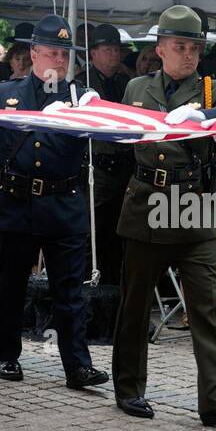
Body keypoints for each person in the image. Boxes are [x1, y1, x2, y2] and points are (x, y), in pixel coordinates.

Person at [111, 5, 216, 427]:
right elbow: (117, 132)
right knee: (134, 306)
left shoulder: (212, 90)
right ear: (161, 48)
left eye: (194, 47)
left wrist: (204, 117)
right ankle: (129, 389)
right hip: (147, 202)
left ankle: (215, 400)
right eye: (179, 46)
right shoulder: (137, 86)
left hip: (194, 207)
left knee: (206, 309)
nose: (188, 54)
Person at [0, 15, 108, 391]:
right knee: (10, 284)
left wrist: (90, 108)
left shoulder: (77, 96)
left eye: (64, 54)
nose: (58, 60)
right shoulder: (6, 93)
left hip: (62, 201)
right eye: (52, 52)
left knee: (70, 289)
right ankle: (5, 353)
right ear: (34, 53)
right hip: (18, 201)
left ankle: (77, 365)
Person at [83, 23, 133, 285]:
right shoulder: (83, 82)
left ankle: (114, 283)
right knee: (94, 229)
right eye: (108, 49)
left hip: (124, 166)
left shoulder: (126, 81)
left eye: (117, 49)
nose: (114, 54)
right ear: (93, 52)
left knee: (120, 231)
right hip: (97, 166)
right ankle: (91, 280)